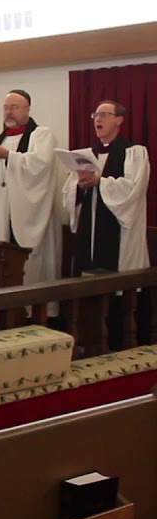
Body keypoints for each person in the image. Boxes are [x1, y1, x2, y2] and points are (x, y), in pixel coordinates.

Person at [63, 100, 150, 348]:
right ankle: (87, 339)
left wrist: (101, 181)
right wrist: (78, 187)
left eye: (104, 114)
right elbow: (68, 191)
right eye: (95, 114)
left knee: (118, 283)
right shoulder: (84, 156)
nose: (97, 119)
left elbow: (133, 189)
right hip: (88, 231)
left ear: (119, 120)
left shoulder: (135, 152)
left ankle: (120, 342)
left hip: (118, 235)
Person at [0, 89, 61, 286]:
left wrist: (9, 156)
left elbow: (41, 166)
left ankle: (28, 312)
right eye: (6, 108)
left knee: (26, 268)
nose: (9, 112)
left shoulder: (41, 135)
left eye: (14, 108)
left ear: (27, 109)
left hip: (25, 215)